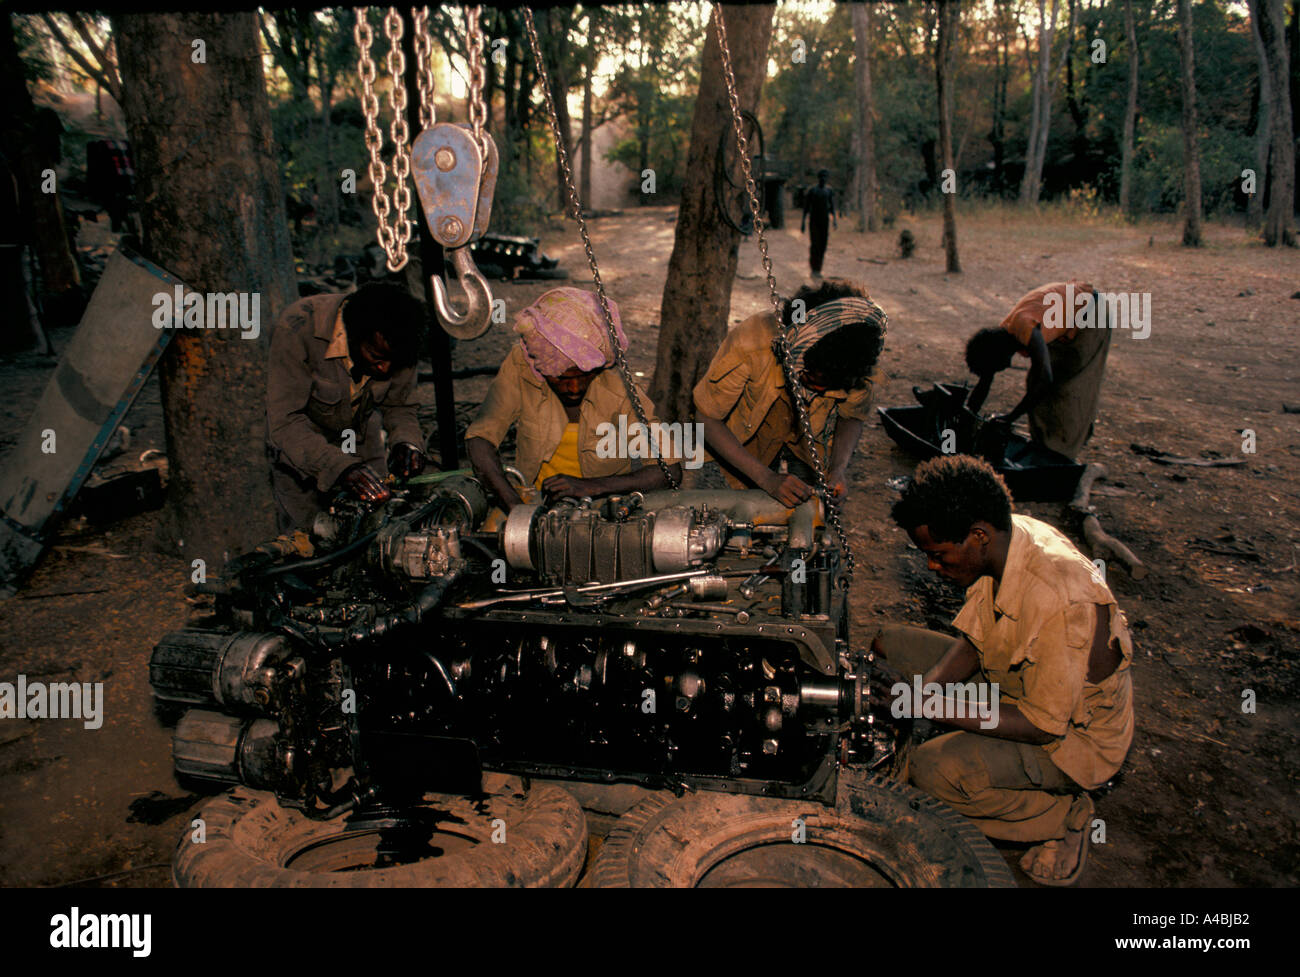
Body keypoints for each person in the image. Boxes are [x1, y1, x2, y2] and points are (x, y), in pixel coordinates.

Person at [881, 454, 1134, 886]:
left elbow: (1042, 725)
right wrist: (923, 694)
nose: (932, 567)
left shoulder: (1059, 596)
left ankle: (1065, 817)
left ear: (978, 535)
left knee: (932, 772)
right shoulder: (1001, 542)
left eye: (938, 555)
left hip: (1072, 738)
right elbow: (976, 642)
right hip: (1014, 681)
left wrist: (926, 707)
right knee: (888, 645)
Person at [465, 287, 682, 512]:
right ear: (540, 367)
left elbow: (669, 470)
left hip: (603, 508)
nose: (575, 388)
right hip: (532, 502)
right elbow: (480, 439)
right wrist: (516, 509)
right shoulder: (523, 365)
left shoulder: (617, 386)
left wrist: (592, 487)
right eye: (562, 378)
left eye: (585, 375)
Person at [693, 279, 886, 507]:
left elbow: (851, 417)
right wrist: (766, 479)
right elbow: (707, 418)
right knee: (724, 510)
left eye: (829, 387)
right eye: (811, 380)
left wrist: (837, 469)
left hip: (805, 445)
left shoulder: (856, 359)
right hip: (740, 442)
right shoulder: (752, 343)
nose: (819, 392)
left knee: (809, 513)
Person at [266, 282, 426, 532]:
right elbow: (284, 423)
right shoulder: (299, 329)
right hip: (300, 449)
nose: (385, 368)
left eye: (392, 362)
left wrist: (407, 442)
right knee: (307, 539)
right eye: (376, 357)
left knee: (379, 527)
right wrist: (340, 468)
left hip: (359, 435)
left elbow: (400, 407)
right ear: (351, 335)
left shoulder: (400, 338)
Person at [964, 280, 1112, 460]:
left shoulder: (1026, 328)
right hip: (1072, 316)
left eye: (994, 369)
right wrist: (967, 416)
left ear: (998, 357)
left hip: (1092, 313)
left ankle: (1060, 455)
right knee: (1037, 384)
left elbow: (1045, 379)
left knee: (1067, 389)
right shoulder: (1004, 335)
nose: (1001, 369)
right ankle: (1043, 445)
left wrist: (1010, 417)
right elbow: (985, 381)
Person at [801, 169, 837, 277]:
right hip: (814, 220)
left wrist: (834, 221)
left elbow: (832, 206)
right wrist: (803, 222)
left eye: (825, 177)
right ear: (818, 178)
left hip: (824, 221)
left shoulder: (829, 191)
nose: (823, 179)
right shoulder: (812, 190)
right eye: (821, 177)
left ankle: (819, 268)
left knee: (823, 245)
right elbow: (806, 207)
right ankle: (814, 269)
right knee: (815, 245)